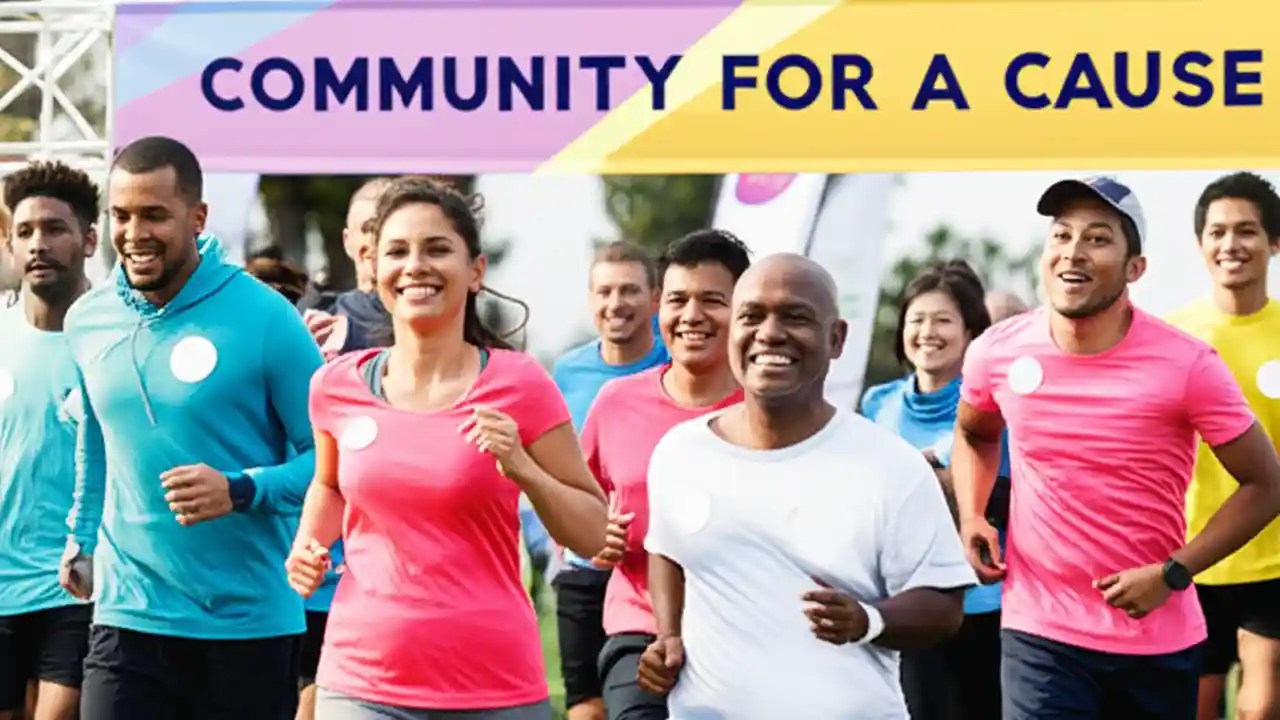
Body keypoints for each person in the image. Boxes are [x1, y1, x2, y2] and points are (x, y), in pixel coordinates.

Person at [950, 176, 1280, 720]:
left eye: (1098, 238)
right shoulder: (997, 352)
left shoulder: (1188, 364)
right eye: (1061, 235)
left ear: (1135, 269)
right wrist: (971, 513)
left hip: (1157, 640)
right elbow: (975, 433)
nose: (1073, 252)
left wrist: (1173, 573)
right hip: (1041, 631)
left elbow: (1265, 484)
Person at [285, 175, 608, 720]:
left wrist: (524, 468)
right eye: (397, 251)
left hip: (493, 686)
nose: (416, 265)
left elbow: (595, 532)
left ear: (475, 271)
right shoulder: (334, 385)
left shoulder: (520, 384)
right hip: (360, 680)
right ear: (375, 266)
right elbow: (330, 483)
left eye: (437, 249)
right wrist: (307, 546)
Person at [637, 253, 976, 718]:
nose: (769, 333)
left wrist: (868, 619)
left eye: (795, 317)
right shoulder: (681, 453)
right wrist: (668, 635)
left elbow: (944, 602)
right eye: (751, 316)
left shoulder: (889, 465)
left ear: (836, 339)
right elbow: (668, 550)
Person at [58, 135, 323, 719]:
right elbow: (96, 437)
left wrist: (240, 489)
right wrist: (80, 535)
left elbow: (330, 461)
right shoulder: (87, 320)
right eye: (122, 215)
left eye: (155, 215)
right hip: (128, 617)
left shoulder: (266, 317)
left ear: (197, 217)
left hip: (247, 625)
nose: (134, 233)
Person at [584, 230, 750, 720]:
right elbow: (577, 509)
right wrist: (592, 538)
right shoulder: (616, 403)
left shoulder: (768, 411)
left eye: (712, 301)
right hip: (639, 628)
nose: (692, 316)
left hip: (746, 631)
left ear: (744, 309)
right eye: (678, 300)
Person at [859, 259, 1004, 720]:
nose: (928, 332)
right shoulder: (877, 404)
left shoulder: (993, 406)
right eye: (917, 320)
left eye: (943, 320)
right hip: (907, 605)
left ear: (970, 333)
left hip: (986, 607)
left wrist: (928, 470)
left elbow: (989, 489)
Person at [1165, 172, 1280, 720]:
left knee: (1263, 705)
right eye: (1217, 232)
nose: (1231, 245)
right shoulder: (1174, 338)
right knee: (1196, 707)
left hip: (1275, 558)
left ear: (1275, 242)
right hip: (1192, 556)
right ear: (1200, 245)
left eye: (1247, 231)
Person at [550, 241, 668, 720]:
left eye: (629, 291)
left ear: (655, 299)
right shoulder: (568, 371)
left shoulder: (676, 362)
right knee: (585, 707)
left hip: (653, 572)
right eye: (604, 292)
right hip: (584, 564)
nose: (615, 303)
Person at [0, 161, 100, 720]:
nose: (39, 243)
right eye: (24, 231)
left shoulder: (118, 340)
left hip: (79, 587)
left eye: (55, 229)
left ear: (88, 238)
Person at [304, 178, 394, 357]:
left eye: (385, 229)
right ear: (347, 241)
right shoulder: (318, 322)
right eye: (368, 229)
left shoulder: (439, 318)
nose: (375, 240)